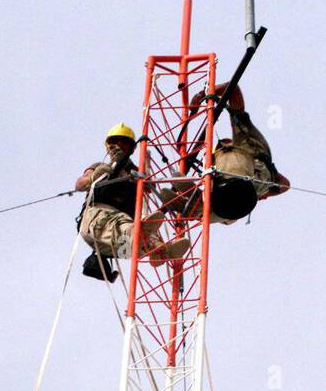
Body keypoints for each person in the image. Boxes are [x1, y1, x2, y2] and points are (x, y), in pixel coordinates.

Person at [161, 82, 290, 225]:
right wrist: (265, 192)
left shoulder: (245, 139)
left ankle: (197, 208)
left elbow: (233, 89)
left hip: (241, 193)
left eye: (224, 146)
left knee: (219, 203)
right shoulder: (227, 172)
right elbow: (285, 185)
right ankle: (196, 207)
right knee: (212, 206)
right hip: (233, 199)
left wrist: (205, 94)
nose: (222, 149)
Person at [76, 123, 189, 279]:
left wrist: (145, 179)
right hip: (98, 223)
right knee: (128, 226)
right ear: (108, 146)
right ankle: (147, 240)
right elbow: (80, 185)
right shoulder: (101, 167)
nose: (118, 146)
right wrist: (95, 176)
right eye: (115, 142)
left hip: (122, 246)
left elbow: (148, 192)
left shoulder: (136, 172)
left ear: (132, 148)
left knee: (141, 226)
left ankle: (159, 250)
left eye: (124, 143)